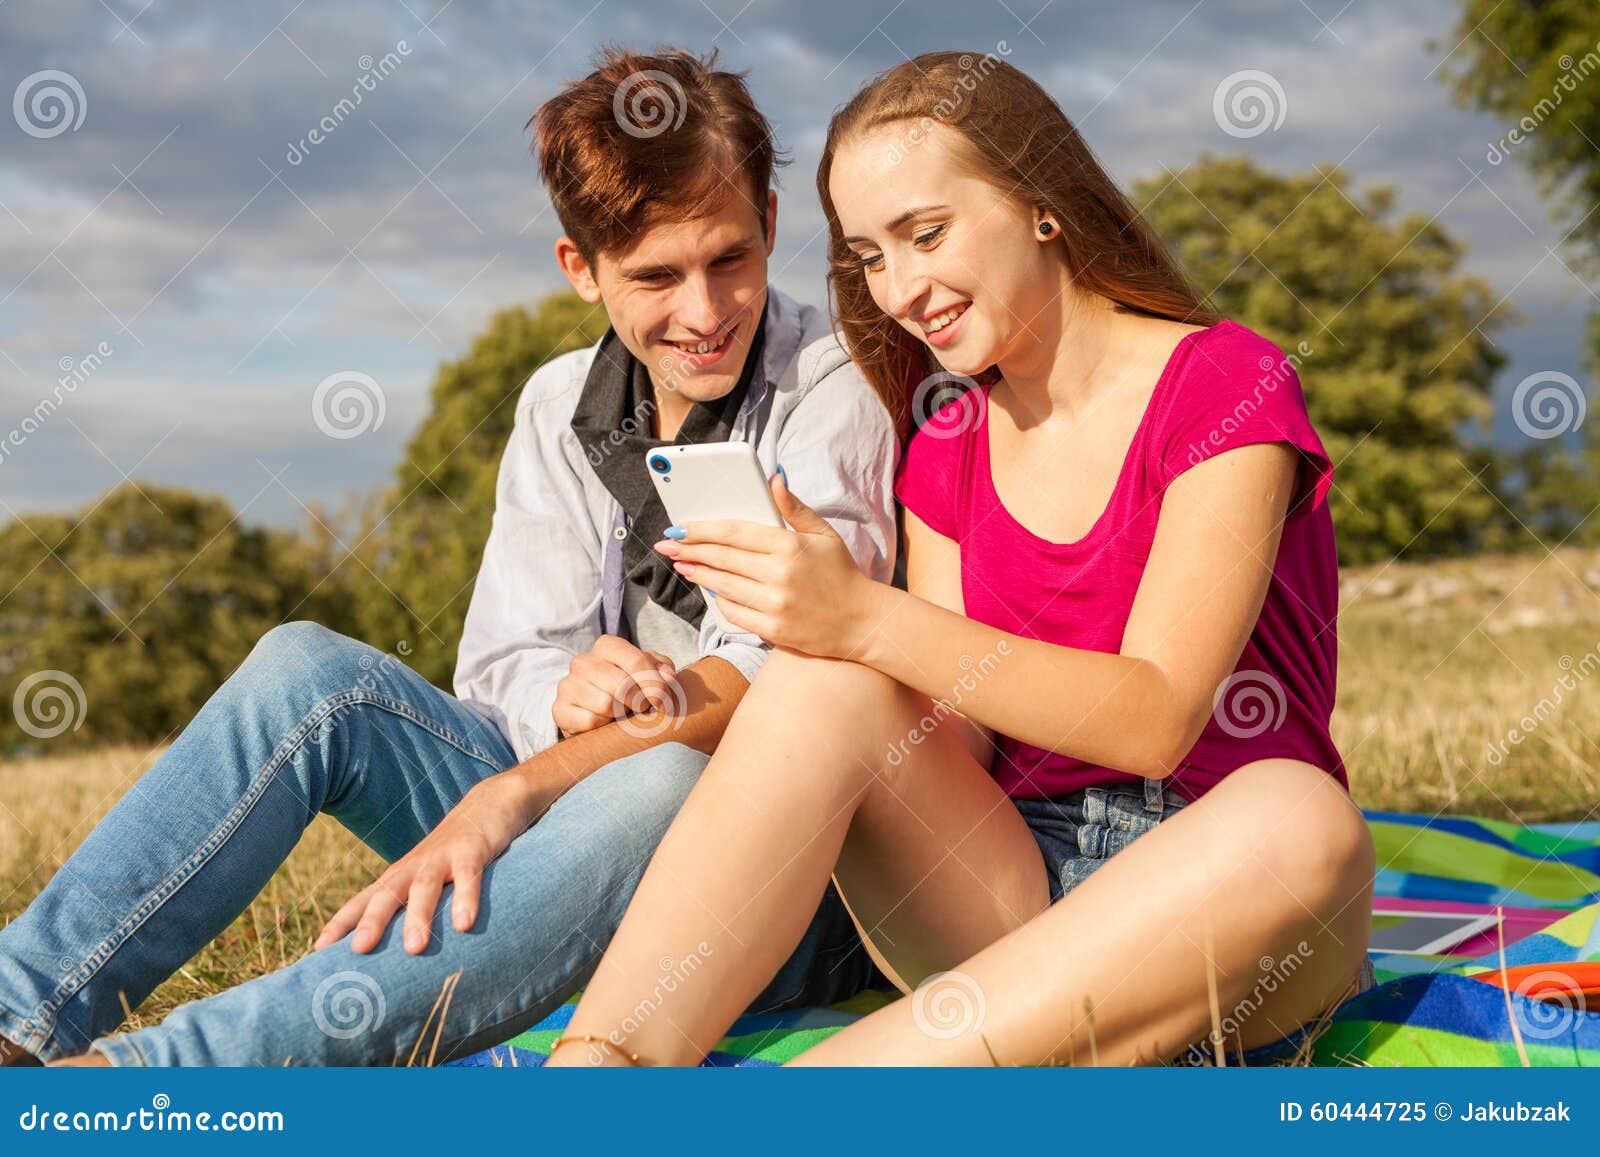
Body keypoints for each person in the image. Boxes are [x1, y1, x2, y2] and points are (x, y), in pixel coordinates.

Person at [0, 46, 896, 1068]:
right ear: (581, 270)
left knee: (661, 775)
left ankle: (137, 1080)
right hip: (571, 824)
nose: (704, 311)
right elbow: (502, 666)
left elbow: (776, 675)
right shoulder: (560, 404)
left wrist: (513, 790)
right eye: (656, 275)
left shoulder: (833, 389)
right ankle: (18, 1011)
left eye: (730, 258)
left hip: (772, 879)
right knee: (306, 667)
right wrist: (569, 691)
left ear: (772, 225)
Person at [545, 51, 1376, 1068]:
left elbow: (1159, 717)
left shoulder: (1225, 383)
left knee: (1298, 815)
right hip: (1011, 905)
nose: (899, 289)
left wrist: (865, 616)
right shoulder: (946, 441)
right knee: (820, 681)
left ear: (1040, 200)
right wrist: (831, 644)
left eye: (924, 234)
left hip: (1226, 914)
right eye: (869, 256)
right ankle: (601, 1069)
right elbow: (962, 734)